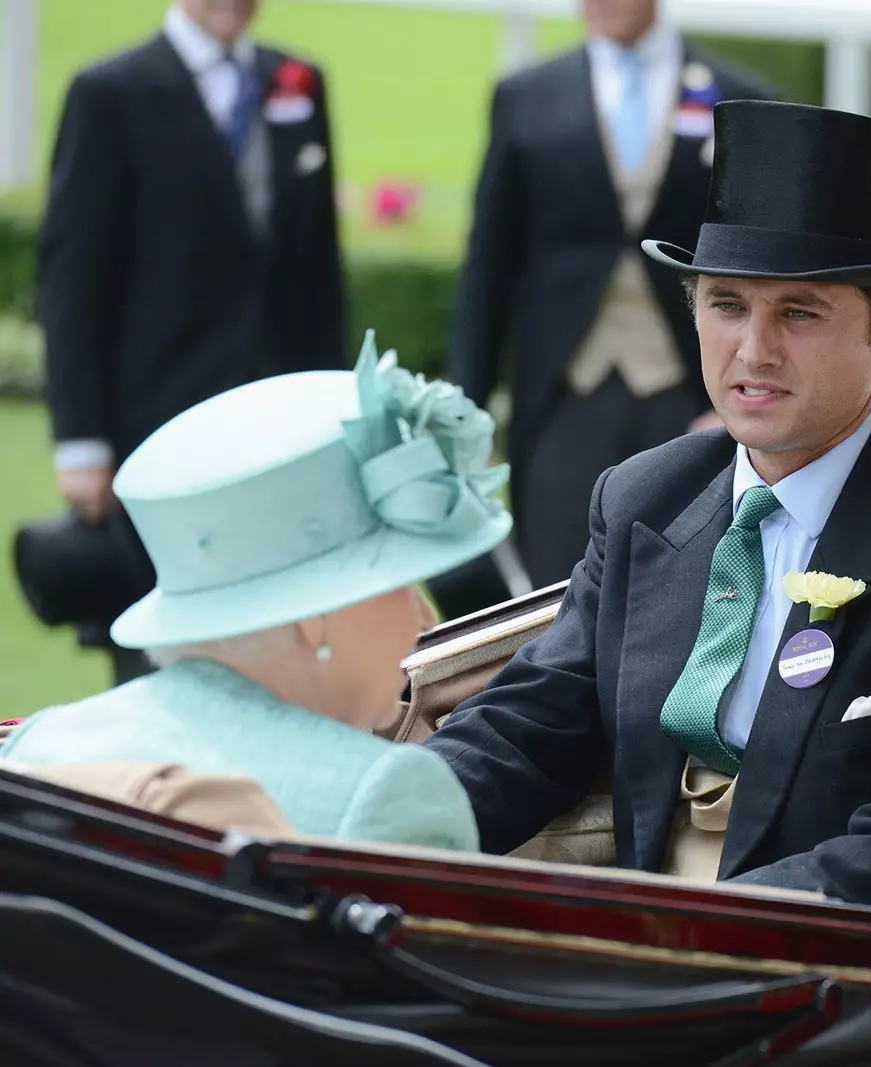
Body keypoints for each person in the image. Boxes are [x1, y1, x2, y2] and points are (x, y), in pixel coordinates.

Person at [427, 101, 871, 919]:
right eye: (727, 304)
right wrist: (371, 824)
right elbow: (529, 728)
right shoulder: (643, 497)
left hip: (814, 975)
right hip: (623, 947)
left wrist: (663, 934)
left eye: (798, 313)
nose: (754, 350)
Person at [0, 333, 509, 851]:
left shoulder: (42, 742)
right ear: (316, 616)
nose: (424, 618)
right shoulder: (388, 794)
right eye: (399, 586)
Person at [35, 0, 346, 684]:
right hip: (154, 421)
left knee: (280, 632)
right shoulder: (109, 92)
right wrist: (81, 442)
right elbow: (73, 279)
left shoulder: (297, 81)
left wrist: (336, 417)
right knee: (159, 643)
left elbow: (318, 268)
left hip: (275, 429)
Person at [449, 0, 772, 588]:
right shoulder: (526, 95)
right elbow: (488, 264)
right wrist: (465, 411)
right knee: (553, 591)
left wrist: (742, 400)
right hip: (561, 395)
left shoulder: (738, 96)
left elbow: (762, 268)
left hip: (691, 397)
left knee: (680, 586)